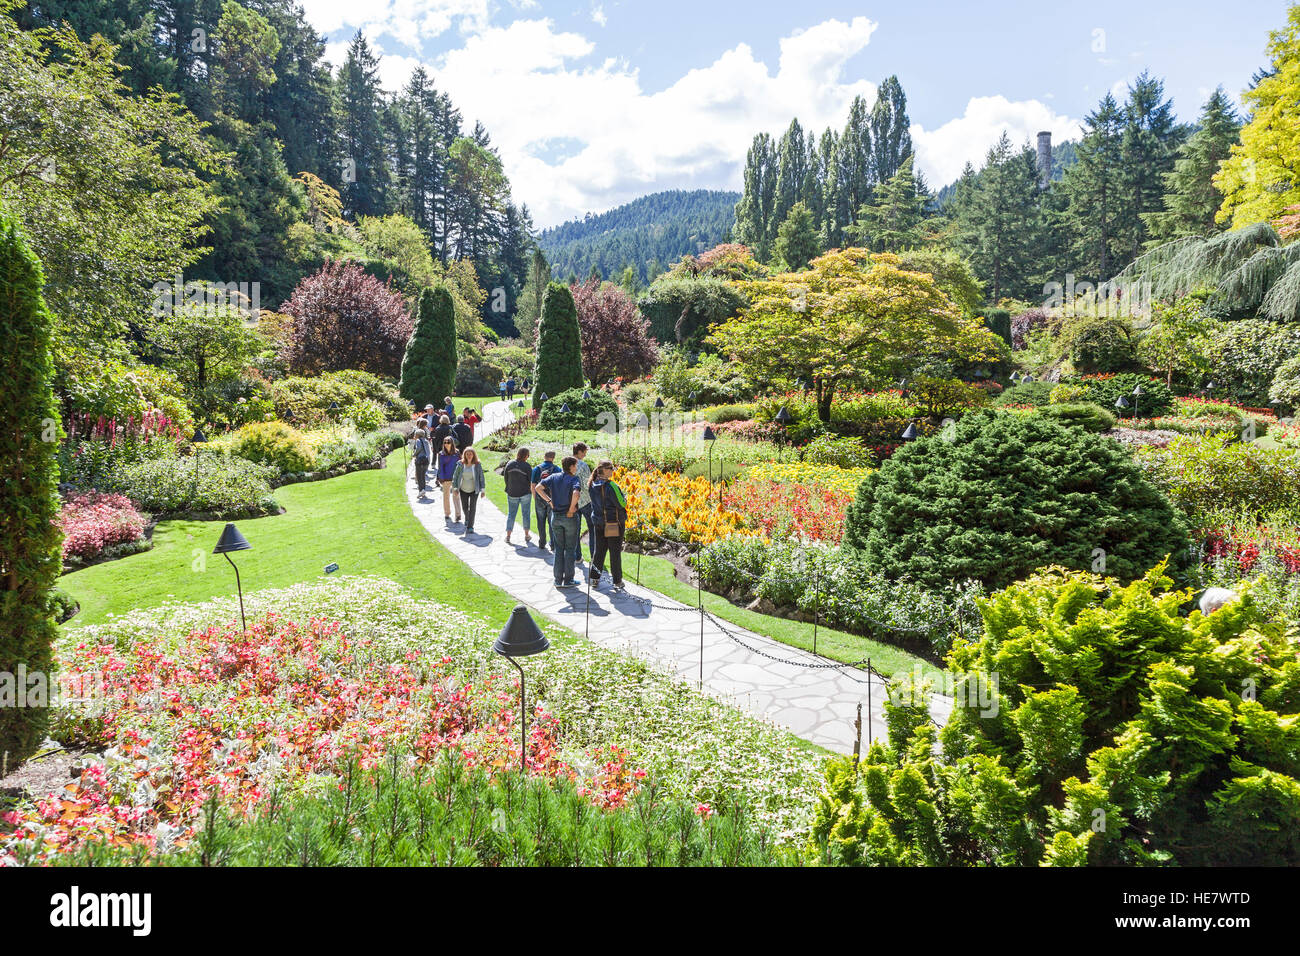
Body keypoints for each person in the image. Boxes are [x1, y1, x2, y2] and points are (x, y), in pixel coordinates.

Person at [537, 456, 581, 588]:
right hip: (569, 517)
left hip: (555, 516)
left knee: (559, 548)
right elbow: (576, 494)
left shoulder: (554, 477)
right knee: (570, 548)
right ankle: (568, 579)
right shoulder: (574, 478)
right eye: (575, 465)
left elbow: (538, 488)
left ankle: (557, 579)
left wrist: (549, 501)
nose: (576, 467)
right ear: (571, 466)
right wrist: (572, 508)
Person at [588, 460, 627, 588]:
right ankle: (617, 581)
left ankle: (594, 579)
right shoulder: (611, 485)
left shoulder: (592, 483)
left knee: (599, 551)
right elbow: (622, 503)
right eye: (610, 468)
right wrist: (625, 497)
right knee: (614, 552)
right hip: (613, 524)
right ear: (604, 470)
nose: (612, 470)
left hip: (599, 522)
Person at [502, 448, 533, 545]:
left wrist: (509, 487)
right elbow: (530, 481)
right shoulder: (527, 466)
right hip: (525, 494)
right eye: (528, 455)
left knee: (511, 514)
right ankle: (527, 535)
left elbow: (505, 478)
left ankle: (508, 536)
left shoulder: (510, 464)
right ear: (526, 456)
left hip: (512, 493)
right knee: (526, 514)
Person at [451, 446, 486, 534]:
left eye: (471, 454)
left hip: (474, 490)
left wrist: (483, 490)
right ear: (465, 455)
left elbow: (481, 477)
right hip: (463, 489)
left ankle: (470, 526)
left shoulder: (477, 464)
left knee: (473, 508)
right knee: (465, 507)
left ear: (473, 455)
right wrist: (455, 487)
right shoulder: (460, 464)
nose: (469, 455)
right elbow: (455, 477)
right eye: (467, 454)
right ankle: (467, 517)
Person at [531, 450, 560, 551]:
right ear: (553, 458)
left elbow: (533, 485)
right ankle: (552, 544)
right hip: (552, 499)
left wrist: (535, 498)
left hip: (540, 497)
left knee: (540, 521)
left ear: (544, 456)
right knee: (552, 522)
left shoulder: (536, 469)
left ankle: (542, 542)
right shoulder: (557, 469)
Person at [572, 442, 594, 564]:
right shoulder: (583, 465)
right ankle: (594, 558)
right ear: (579, 451)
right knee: (592, 529)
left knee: (576, 529)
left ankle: (577, 557)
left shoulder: (567, 463)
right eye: (585, 451)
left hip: (573, 502)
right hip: (585, 501)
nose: (585, 454)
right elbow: (587, 484)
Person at [435, 437, 461, 522]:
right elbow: (440, 467)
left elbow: (460, 465)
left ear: (452, 443)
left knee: (456, 496)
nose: (446, 444)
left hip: (455, 478)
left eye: (448, 442)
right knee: (446, 496)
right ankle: (447, 513)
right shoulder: (441, 454)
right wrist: (441, 478)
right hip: (445, 478)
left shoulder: (457, 453)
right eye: (445, 442)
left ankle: (458, 515)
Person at [411, 427, 432, 498]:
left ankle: (421, 490)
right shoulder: (426, 440)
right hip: (426, 460)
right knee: (423, 476)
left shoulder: (418, 441)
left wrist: (414, 454)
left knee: (419, 476)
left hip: (420, 460)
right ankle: (423, 490)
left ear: (417, 434)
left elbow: (418, 448)